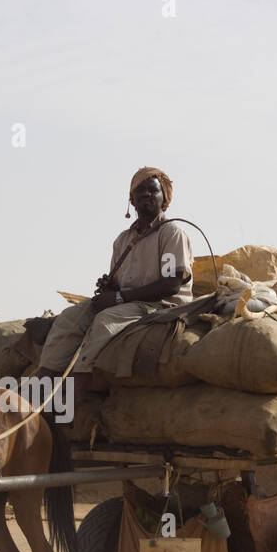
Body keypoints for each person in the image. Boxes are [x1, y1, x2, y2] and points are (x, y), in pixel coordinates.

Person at [35, 166, 193, 403]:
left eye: (153, 191)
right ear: (131, 199)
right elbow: (119, 285)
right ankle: (36, 391)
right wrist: (110, 290)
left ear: (165, 198)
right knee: (69, 317)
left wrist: (118, 298)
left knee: (104, 321)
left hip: (160, 306)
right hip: (129, 302)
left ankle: (71, 399)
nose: (147, 196)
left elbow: (170, 285)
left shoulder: (171, 233)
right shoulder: (123, 239)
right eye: (140, 192)